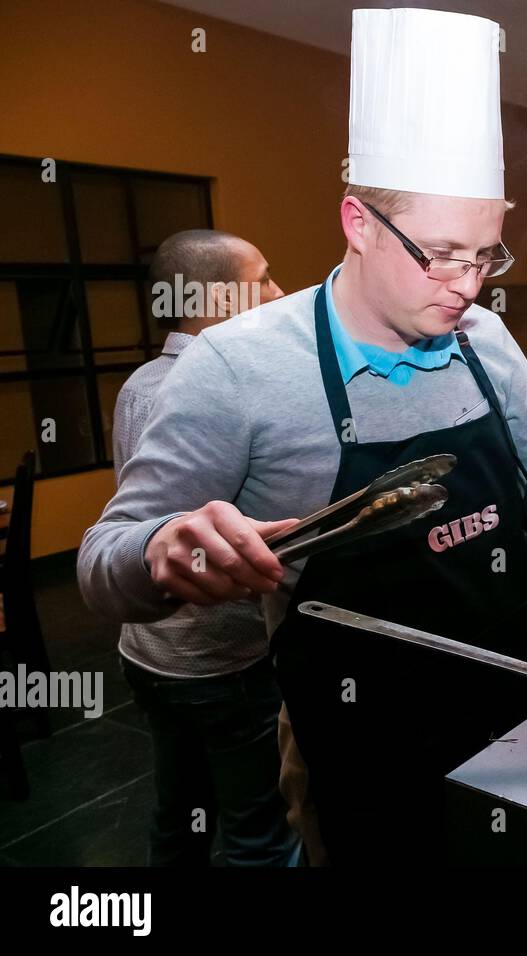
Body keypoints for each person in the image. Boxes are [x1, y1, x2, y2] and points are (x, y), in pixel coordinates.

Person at [78, 7, 527, 866]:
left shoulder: (486, 342)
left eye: (486, 255)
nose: (467, 286)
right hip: (361, 750)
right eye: (440, 254)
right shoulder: (237, 370)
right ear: (357, 223)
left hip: (515, 721)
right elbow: (103, 562)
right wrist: (161, 550)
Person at [113, 229, 292, 866]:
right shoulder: (227, 386)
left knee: (178, 813)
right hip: (225, 657)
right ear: (220, 296)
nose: (278, 292)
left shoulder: (138, 383)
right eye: (265, 277)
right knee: (258, 831)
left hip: (150, 653)